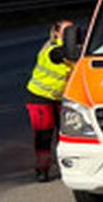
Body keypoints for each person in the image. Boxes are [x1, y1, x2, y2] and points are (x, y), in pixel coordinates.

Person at [25, 20, 76, 181]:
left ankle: (67, 164)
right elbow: (59, 54)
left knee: (66, 132)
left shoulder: (75, 48)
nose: (72, 33)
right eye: (67, 30)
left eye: (73, 30)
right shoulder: (52, 49)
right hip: (40, 96)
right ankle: (42, 167)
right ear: (57, 33)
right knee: (44, 133)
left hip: (60, 97)